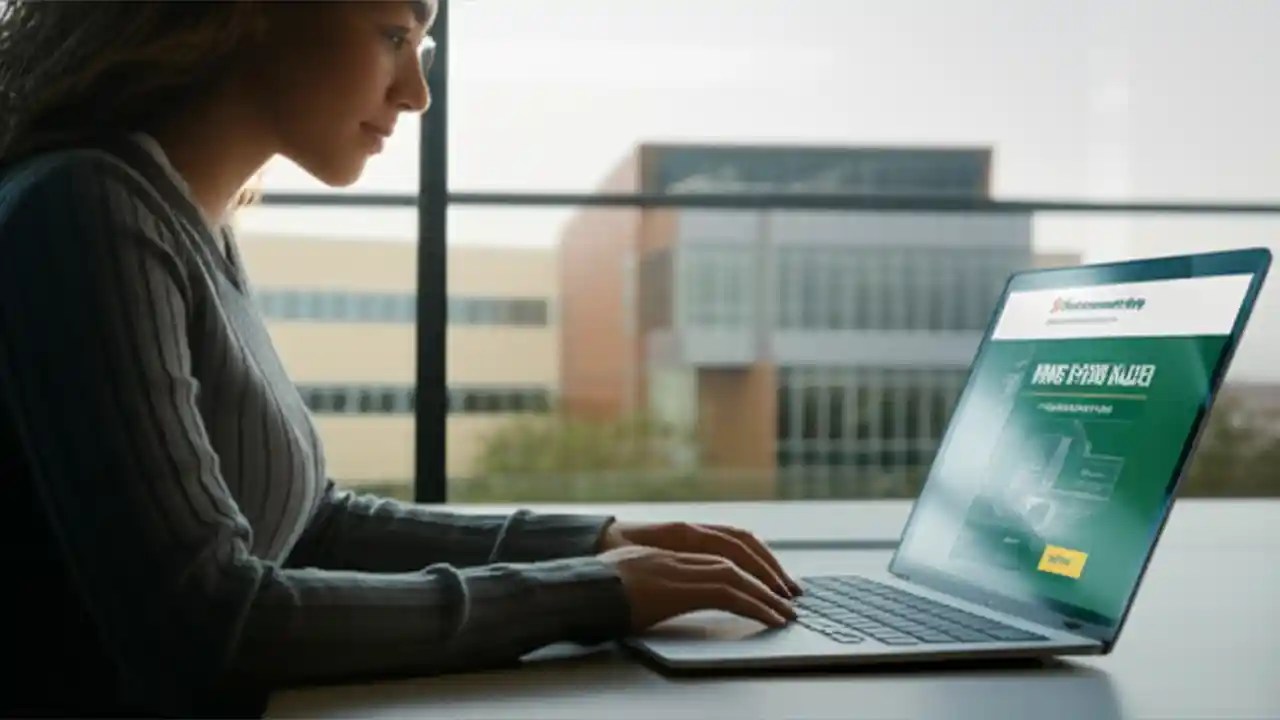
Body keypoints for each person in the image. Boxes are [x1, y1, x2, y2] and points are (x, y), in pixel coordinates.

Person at [0, 2, 801, 716]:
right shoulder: (87, 214)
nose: (416, 92)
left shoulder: (190, 227)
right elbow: (209, 624)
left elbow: (311, 526)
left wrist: (597, 541)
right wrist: (591, 593)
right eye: (394, 34)